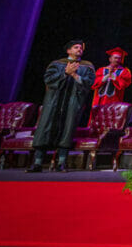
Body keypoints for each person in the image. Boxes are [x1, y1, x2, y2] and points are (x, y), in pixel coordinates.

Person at [27, 40, 96, 173]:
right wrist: (65, 73)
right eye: (76, 47)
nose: (79, 50)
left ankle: (62, 163)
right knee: (45, 129)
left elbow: (89, 83)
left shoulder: (87, 66)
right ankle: (37, 163)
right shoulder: (57, 64)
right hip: (53, 102)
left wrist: (75, 75)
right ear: (68, 50)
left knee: (67, 130)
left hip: (73, 102)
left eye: (81, 48)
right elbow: (48, 80)